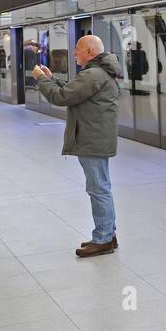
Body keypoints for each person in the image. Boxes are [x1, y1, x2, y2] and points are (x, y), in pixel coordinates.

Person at [30, 35, 122, 257]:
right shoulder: (98, 73)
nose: (74, 53)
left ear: (89, 52)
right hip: (95, 138)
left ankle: (103, 239)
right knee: (101, 187)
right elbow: (73, 90)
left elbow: (62, 97)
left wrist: (42, 80)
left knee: (98, 189)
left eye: (77, 49)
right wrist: (52, 78)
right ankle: (108, 234)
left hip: (92, 140)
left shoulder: (93, 74)